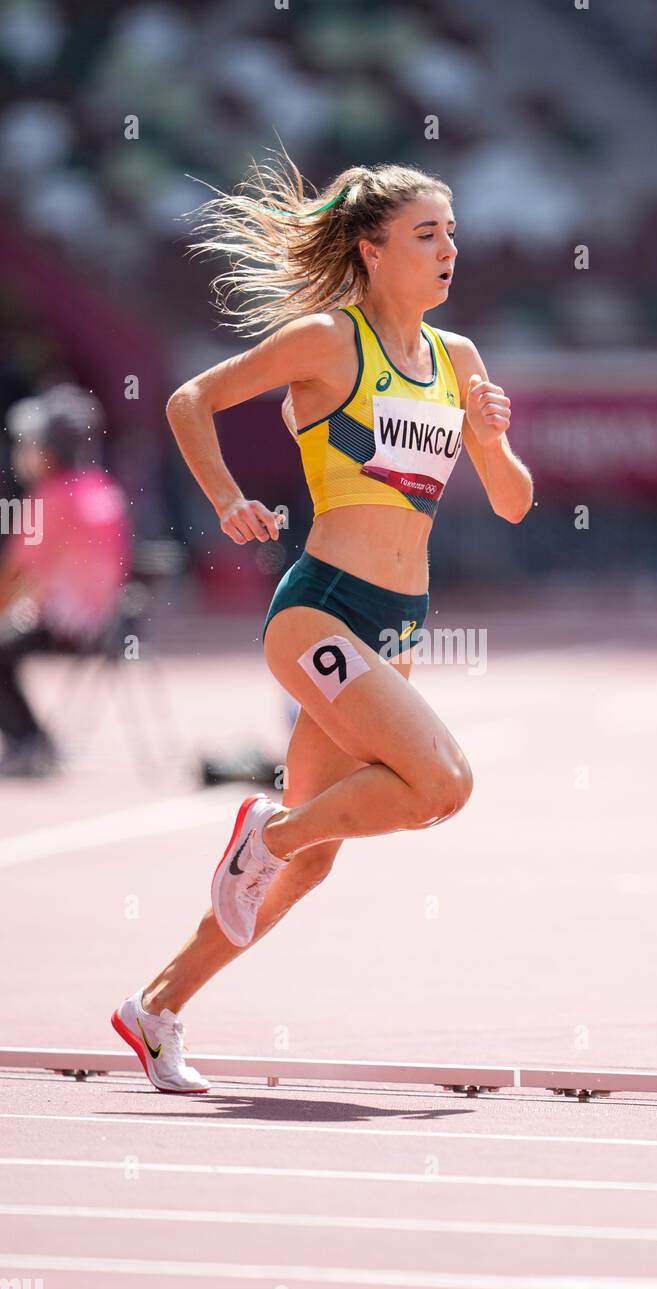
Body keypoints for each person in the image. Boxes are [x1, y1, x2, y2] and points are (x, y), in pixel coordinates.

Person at [111, 155, 533, 1094]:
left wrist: (491, 434)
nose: (448, 249)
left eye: (452, 233)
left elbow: (512, 502)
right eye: (427, 234)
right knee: (443, 785)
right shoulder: (326, 342)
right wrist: (226, 502)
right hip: (321, 612)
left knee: (313, 864)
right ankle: (270, 833)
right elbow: (191, 400)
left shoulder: (459, 361)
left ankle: (157, 1006)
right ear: (372, 250)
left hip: (401, 625)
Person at [0, 384, 131, 776]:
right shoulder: (103, 488)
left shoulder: (50, 497)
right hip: (112, 623)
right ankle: (35, 742)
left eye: (31, 443)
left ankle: (30, 743)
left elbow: (13, 576)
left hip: (67, 627)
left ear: (49, 450)